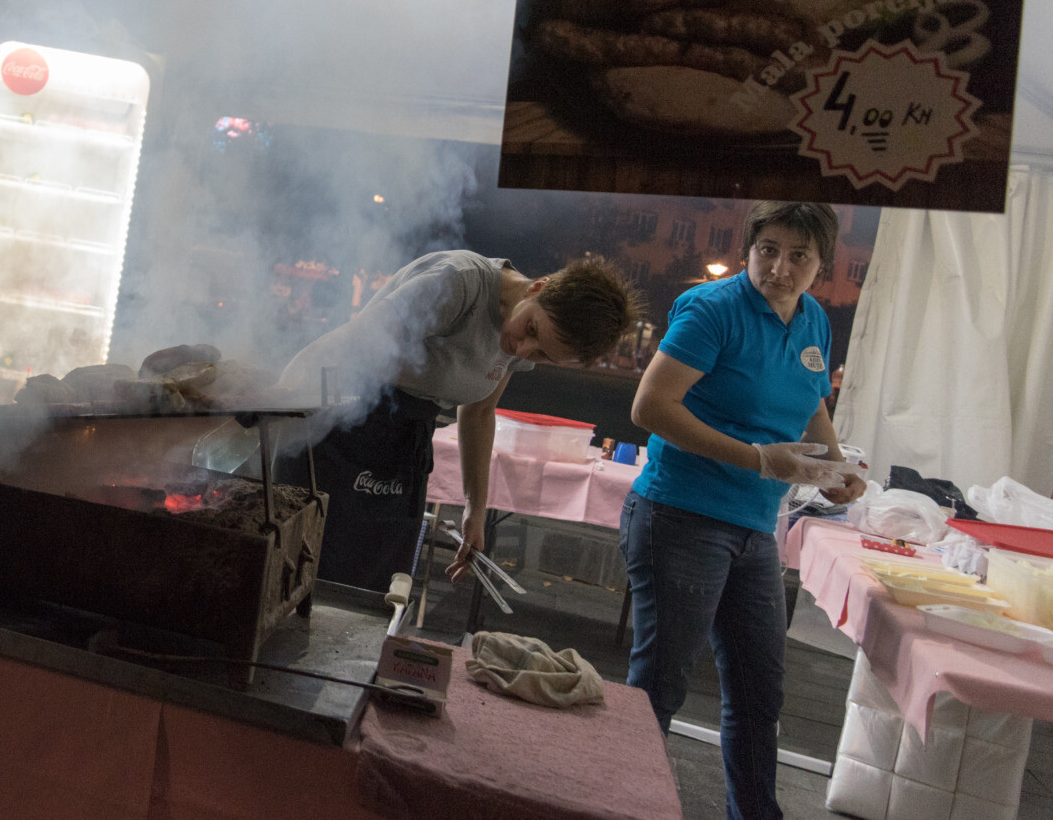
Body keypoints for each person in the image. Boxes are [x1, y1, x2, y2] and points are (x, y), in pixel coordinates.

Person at [625, 202, 867, 820]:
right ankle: (616, 802)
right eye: (768, 250)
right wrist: (761, 461)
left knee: (760, 693)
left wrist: (837, 468)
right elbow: (650, 407)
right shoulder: (713, 309)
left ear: (821, 264)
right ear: (748, 249)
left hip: (756, 527)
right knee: (660, 686)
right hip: (680, 514)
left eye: (799, 256)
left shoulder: (813, 320)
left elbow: (812, 400)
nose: (780, 268)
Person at [278, 251, 641, 590]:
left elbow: (480, 411)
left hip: (406, 439)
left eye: (544, 355)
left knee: (378, 579)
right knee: (309, 566)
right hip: (343, 421)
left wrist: (475, 510)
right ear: (538, 287)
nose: (524, 351)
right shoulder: (459, 283)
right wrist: (279, 402)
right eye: (531, 331)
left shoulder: (522, 336)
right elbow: (354, 345)